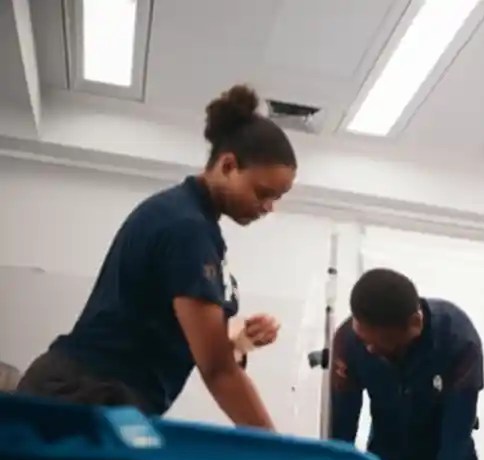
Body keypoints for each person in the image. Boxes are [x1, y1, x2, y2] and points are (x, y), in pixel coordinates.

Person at [17, 85, 291, 428]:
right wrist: (278, 451)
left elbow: (185, 338)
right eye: (263, 193)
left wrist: (240, 342)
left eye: (277, 198)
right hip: (82, 396)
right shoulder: (187, 228)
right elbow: (218, 371)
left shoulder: (190, 221)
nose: (268, 208)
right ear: (228, 165)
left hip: (106, 398)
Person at [329, 268, 484, 460]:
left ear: (414, 324)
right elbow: (341, 434)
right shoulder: (348, 340)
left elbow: (454, 442)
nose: (369, 350)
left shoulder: (457, 339)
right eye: (363, 339)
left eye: (378, 342)